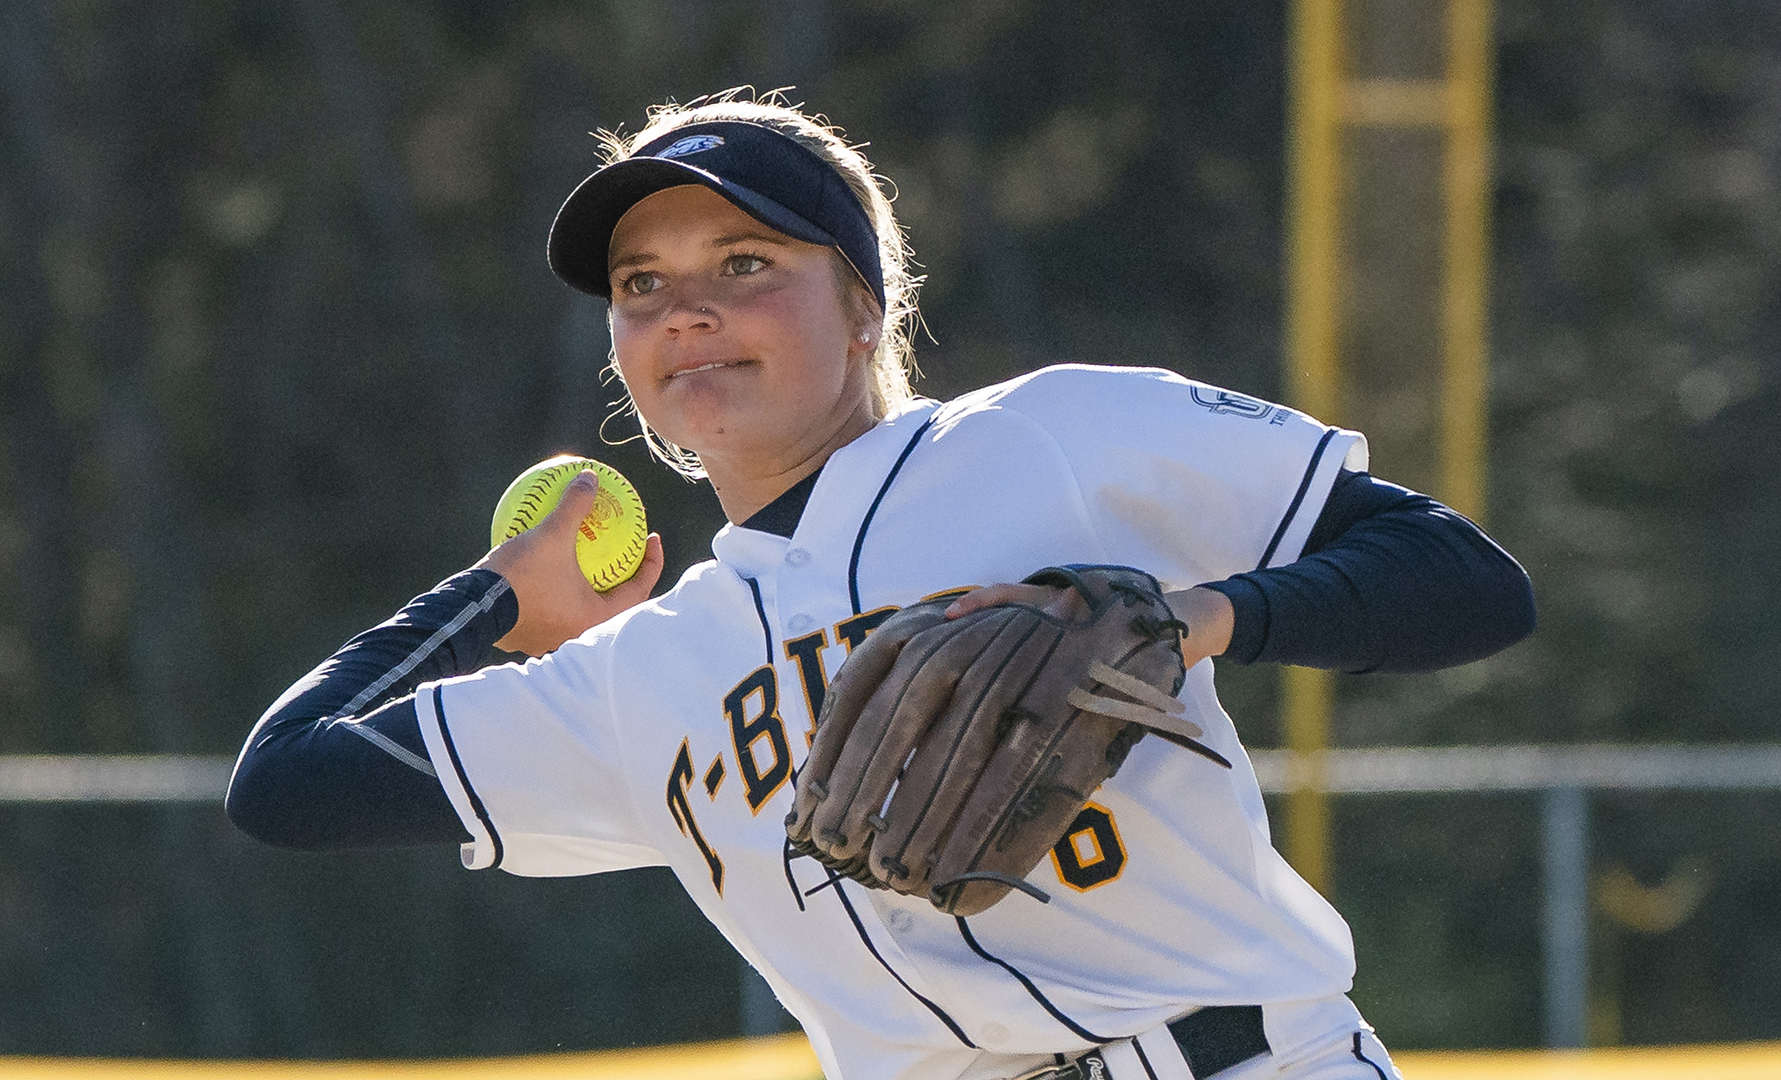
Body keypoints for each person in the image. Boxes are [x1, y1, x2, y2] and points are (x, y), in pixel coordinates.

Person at [227, 93, 1535, 1080]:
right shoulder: (639, 680)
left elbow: (1464, 582)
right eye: (642, 286)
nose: (686, 311)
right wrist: (491, 603)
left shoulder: (1047, 436)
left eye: (745, 264)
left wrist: (1198, 621)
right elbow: (286, 784)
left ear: (863, 306)